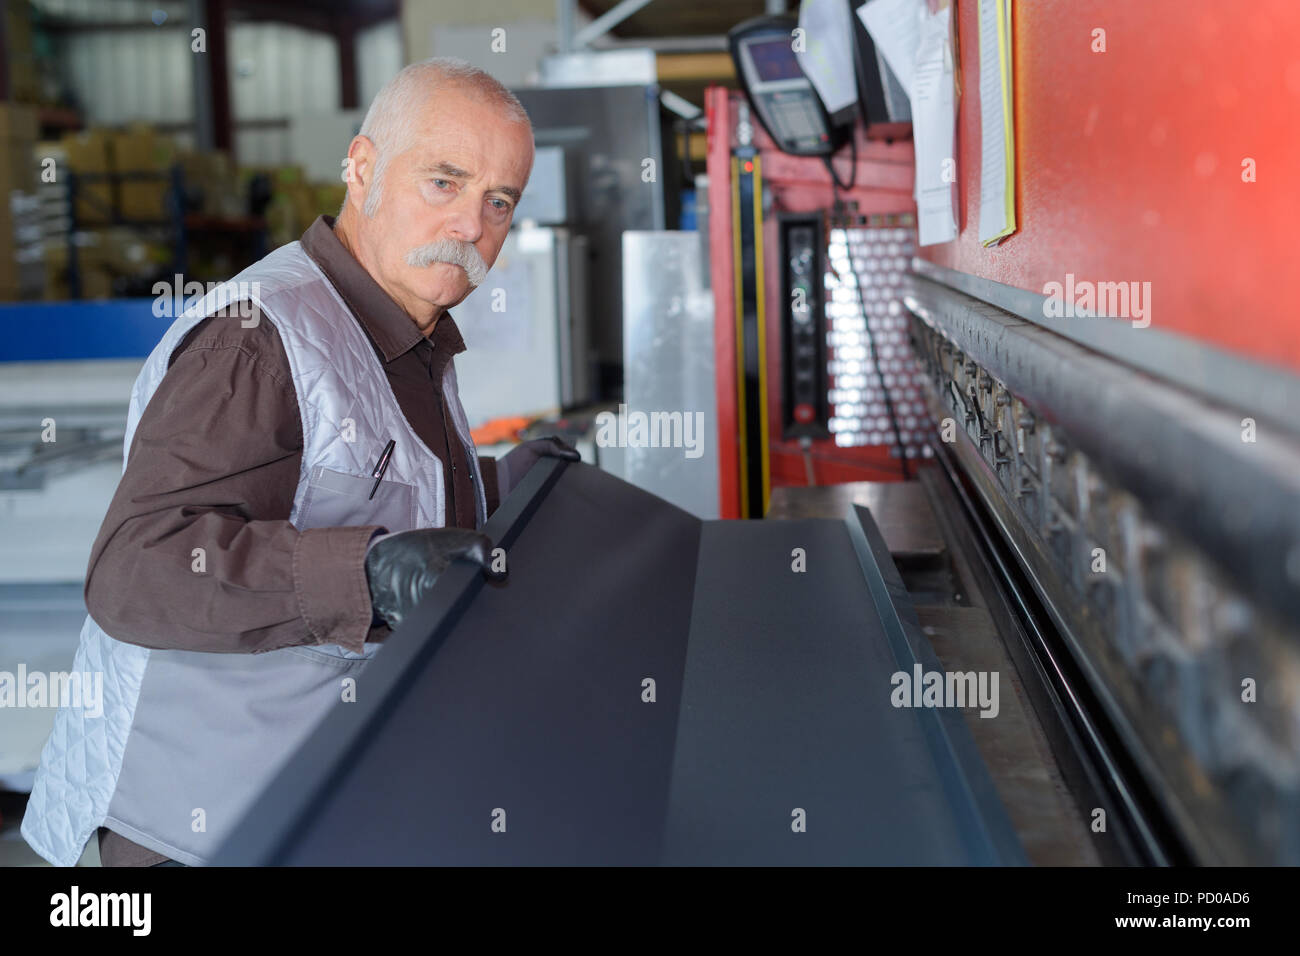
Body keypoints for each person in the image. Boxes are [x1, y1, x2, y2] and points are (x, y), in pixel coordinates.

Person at [22, 57, 577, 867]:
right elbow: (134, 569)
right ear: (362, 169)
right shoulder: (259, 339)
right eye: (444, 182)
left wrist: (503, 484)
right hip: (203, 826)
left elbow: (363, 492)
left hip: (320, 800)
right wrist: (368, 575)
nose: (470, 224)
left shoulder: (408, 333)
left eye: (499, 201)